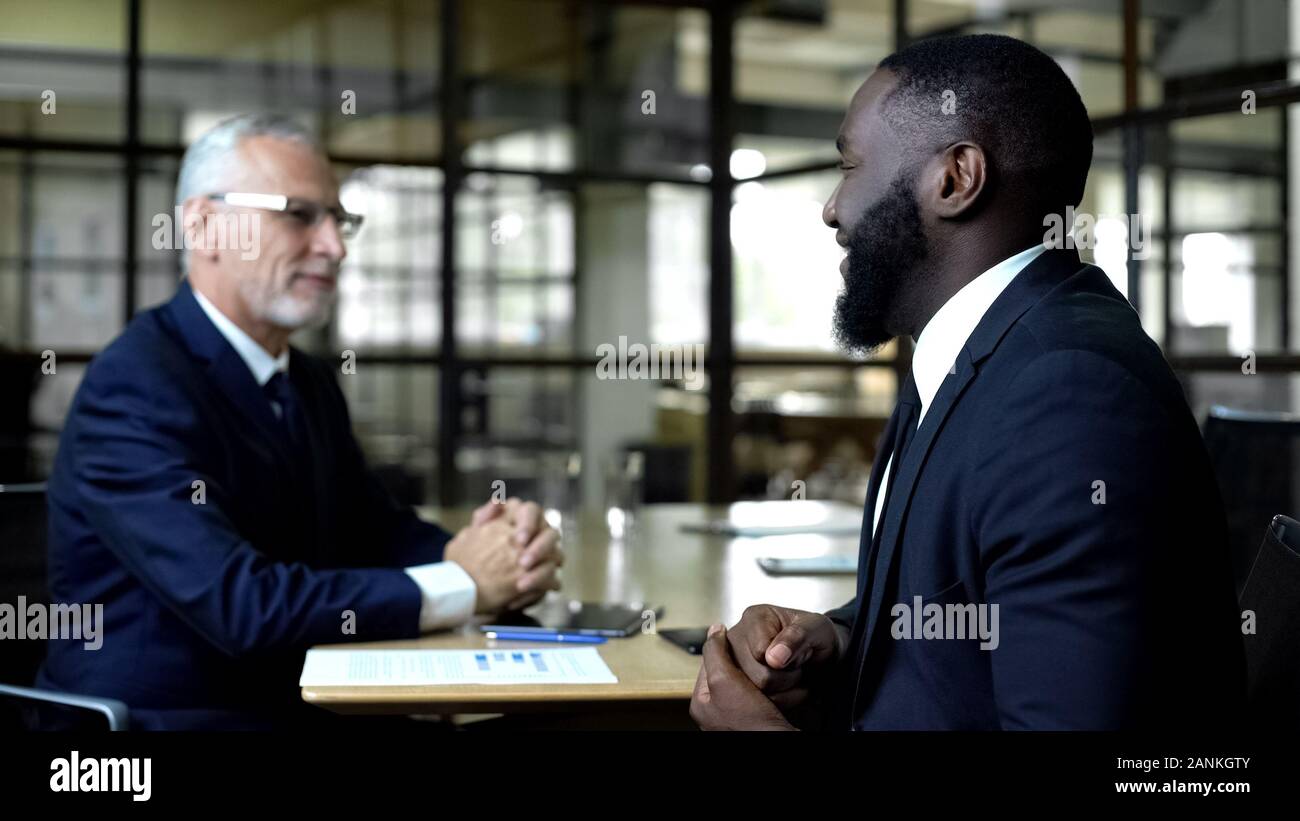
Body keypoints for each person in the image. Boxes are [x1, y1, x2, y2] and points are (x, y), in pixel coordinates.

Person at [690, 34, 1244, 731]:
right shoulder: (982, 354)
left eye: (850, 166)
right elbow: (977, 606)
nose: (833, 209)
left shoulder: (1067, 395)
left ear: (955, 178)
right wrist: (836, 640)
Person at [39, 114, 563, 730]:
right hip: (170, 726)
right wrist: (466, 584)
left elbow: (372, 529)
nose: (335, 247)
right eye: (298, 215)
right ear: (205, 226)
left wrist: (497, 552)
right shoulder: (133, 384)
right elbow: (243, 605)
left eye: (339, 220)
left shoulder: (305, 379)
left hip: (307, 698)